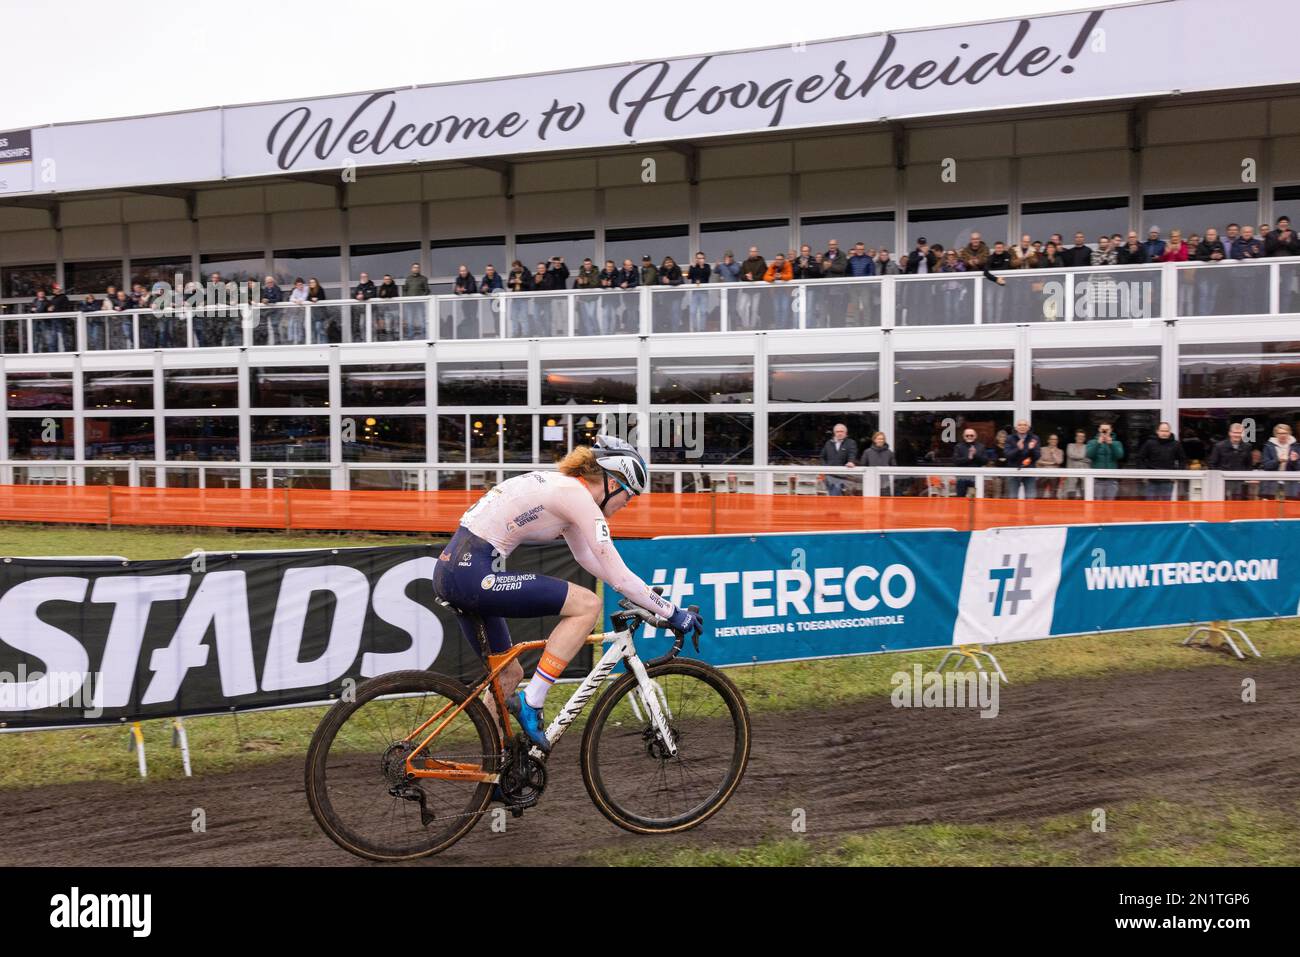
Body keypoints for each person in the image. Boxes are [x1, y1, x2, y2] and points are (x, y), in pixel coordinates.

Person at [432, 435, 700, 755]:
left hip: (456, 571)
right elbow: (617, 575)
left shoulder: (567, 493)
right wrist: (673, 612)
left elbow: (591, 560)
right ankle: (533, 702)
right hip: (473, 574)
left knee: (508, 675)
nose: (625, 505)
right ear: (611, 482)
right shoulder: (577, 496)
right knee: (588, 605)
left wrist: (646, 599)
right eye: (628, 497)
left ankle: (494, 768)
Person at [1135, 421, 1186, 500]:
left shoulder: (1176, 444)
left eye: (1166, 431)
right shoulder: (1150, 443)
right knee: (1151, 507)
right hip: (1151, 481)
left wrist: (1177, 475)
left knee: (1165, 507)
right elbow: (1140, 458)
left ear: (1169, 432)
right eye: (1162, 431)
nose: (1164, 433)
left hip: (1168, 481)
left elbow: (1182, 460)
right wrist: (1144, 474)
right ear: (1157, 431)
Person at [1207, 422, 1253, 499]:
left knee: (1239, 505)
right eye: (1235, 433)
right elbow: (1212, 464)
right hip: (1223, 482)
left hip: (1240, 482)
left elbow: (1249, 464)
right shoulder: (1219, 446)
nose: (1237, 435)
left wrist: (1246, 477)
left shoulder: (1247, 447)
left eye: (1239, 433)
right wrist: (1218, 478)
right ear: (1230, 433)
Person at [1260, 423, 1300, 499]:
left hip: (1290, 484)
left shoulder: (1296, 447)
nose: (1283, 435)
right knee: (1271, 508)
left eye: (1285, 433)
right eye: (1280, 433)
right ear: (1276, 434)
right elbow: (1266, 465)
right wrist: (1278, 460)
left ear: (1289, 434)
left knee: (1289, 508)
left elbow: (1298, 467)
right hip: (1271, 484)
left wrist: (1294, 461)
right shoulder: (1268, 446)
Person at [1003, 419, 1041, 499]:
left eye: (1025, 425)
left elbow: (1037, 456)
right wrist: (1018, 449)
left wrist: (1031, 449)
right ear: (1016, 428)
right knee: (1012, 498)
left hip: (1029, 471)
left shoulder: (1034, 438)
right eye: (1020, 425)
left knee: (1030, 498)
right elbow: (1007, 455)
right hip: (1013, 471)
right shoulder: (1009, 438)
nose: (1022, 427)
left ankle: (1029, 512)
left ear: (1028, 428)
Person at [1086, 424, 1124, 500]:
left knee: (1109, 506)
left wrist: (1111, 444)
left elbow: (1120, 456)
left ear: (1111, 430)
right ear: (1099, 430)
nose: (1105, 431)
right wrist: (1098, 443)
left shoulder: (1117, 443)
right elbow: (1089, 455)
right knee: (1097, 506)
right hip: (1097, 480)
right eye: (1103, 429)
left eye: (1107, 430)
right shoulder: (1092, 442)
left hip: (1111, 480)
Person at [820, 423, 858, 496]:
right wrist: (825, 467)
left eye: (841, 431)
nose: (839, 433)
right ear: (834, 433)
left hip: (842, 475)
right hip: (829, 475)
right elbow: (822, 456)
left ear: (845, 433)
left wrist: (851, 462)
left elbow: (852, 454)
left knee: (836, 492)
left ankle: (835, 507)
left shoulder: (850, 443)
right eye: (837, 431)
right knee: (832, 494)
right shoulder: (828, 443)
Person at [859, 431, 896, 495]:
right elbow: (862, 466)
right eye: (879, 439)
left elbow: (894, 466)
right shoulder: (867, 452)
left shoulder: (889, 453)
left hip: (885, 483)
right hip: (871, 482)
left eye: (882, 439)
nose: (880, 440)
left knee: (885, 502)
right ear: (874, 440)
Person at [952, 427, 985, 498]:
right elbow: (955, 461)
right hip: (962, 477)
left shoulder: (980, 446)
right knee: (960, 499)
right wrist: (968, 458)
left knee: (974, 498)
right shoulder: (959, 446)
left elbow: (985, 461)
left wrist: (975, 455)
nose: (969, 437)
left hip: (976, 477)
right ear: (964, 436)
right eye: (967, 435)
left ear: (975, 436)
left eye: (971, 435)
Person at [1062, 429, 1090, 499]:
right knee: (1071, 496)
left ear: (1084, 438)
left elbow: (1090, 460)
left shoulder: (1087, 447)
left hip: (1084, 474)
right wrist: (1084, 458)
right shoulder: (1070, 445)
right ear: (1075, 437)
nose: (1080, 438)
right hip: (1072, 474)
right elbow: (1071, 455)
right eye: (1078, 436)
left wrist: (1078, 458)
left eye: (1082, 436)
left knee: (1085, 496)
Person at [1036, 433, 1064, 498]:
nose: (1054, 441)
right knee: (1039, 494)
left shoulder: (1060, 451)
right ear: (1048, 440)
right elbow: (1038, 461)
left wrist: (1053, 453)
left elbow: (1059, 461)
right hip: (1042, 475)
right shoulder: (1042, 449)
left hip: (1054, 476)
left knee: (1053, 495)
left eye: (1055, 439)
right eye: (1052, 439)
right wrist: (1051, 463)